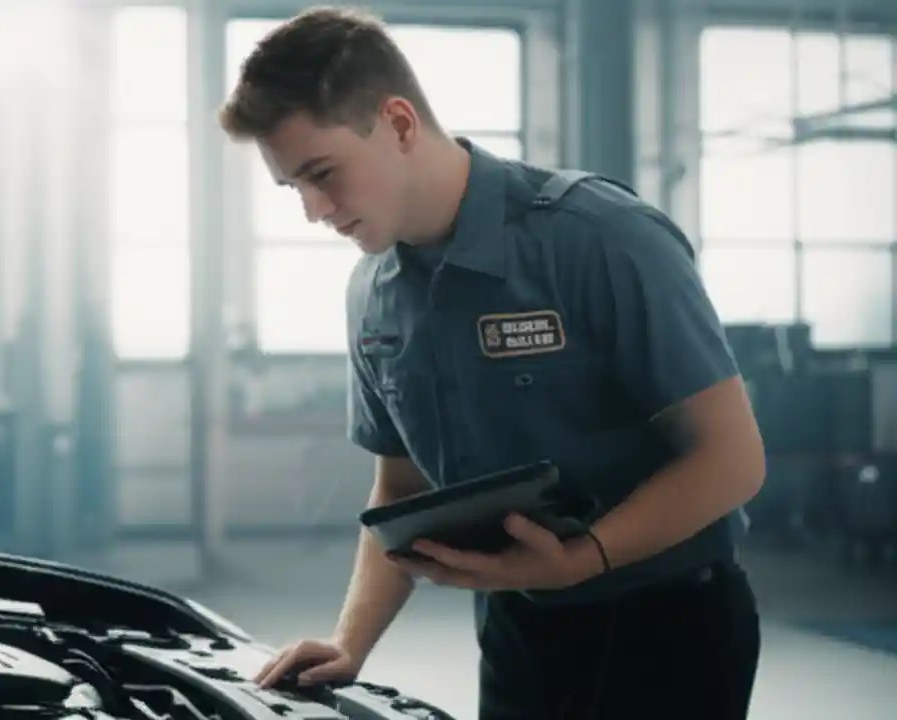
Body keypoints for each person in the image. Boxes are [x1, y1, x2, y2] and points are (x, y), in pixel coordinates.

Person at [215, 7, 765, 719]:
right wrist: (351, 643)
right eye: (294, 188)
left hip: (670, 625)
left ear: (400, 124)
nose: (314, 212)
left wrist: (582, 557)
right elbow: (400, 490)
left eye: (323, 174)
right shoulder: (374, 295)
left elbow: (732, 459)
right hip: (520, 629)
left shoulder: (601, 240)